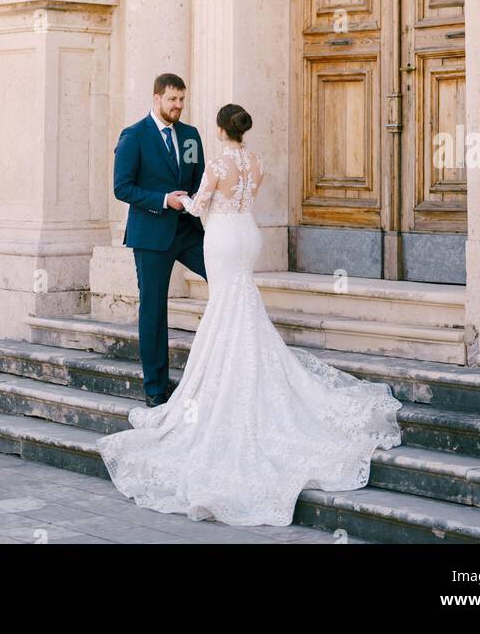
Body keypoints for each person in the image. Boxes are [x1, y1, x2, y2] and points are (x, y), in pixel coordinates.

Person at [98, 101, 403, 527]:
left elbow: (201, 206)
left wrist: (181, 201)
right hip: (247, 234)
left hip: (222, 238)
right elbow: (243, 197)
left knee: (226, 305)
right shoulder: (255, 161)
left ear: (222, 129)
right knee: (241, 303)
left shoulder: (219, 163)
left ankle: (222, 382)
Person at [112, 74, 207, 406]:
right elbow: (122, 188)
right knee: (153, 311)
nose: (178, 106)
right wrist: (165, 199)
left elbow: (199, 180)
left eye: (182, 100)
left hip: (187, 232)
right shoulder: (134, 136)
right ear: (156, 99)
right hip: (151, 236)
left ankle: (221, 368)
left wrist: (195, 200)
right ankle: (155, 389)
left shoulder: (192, 136)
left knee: (226, 279)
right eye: (172, 100)